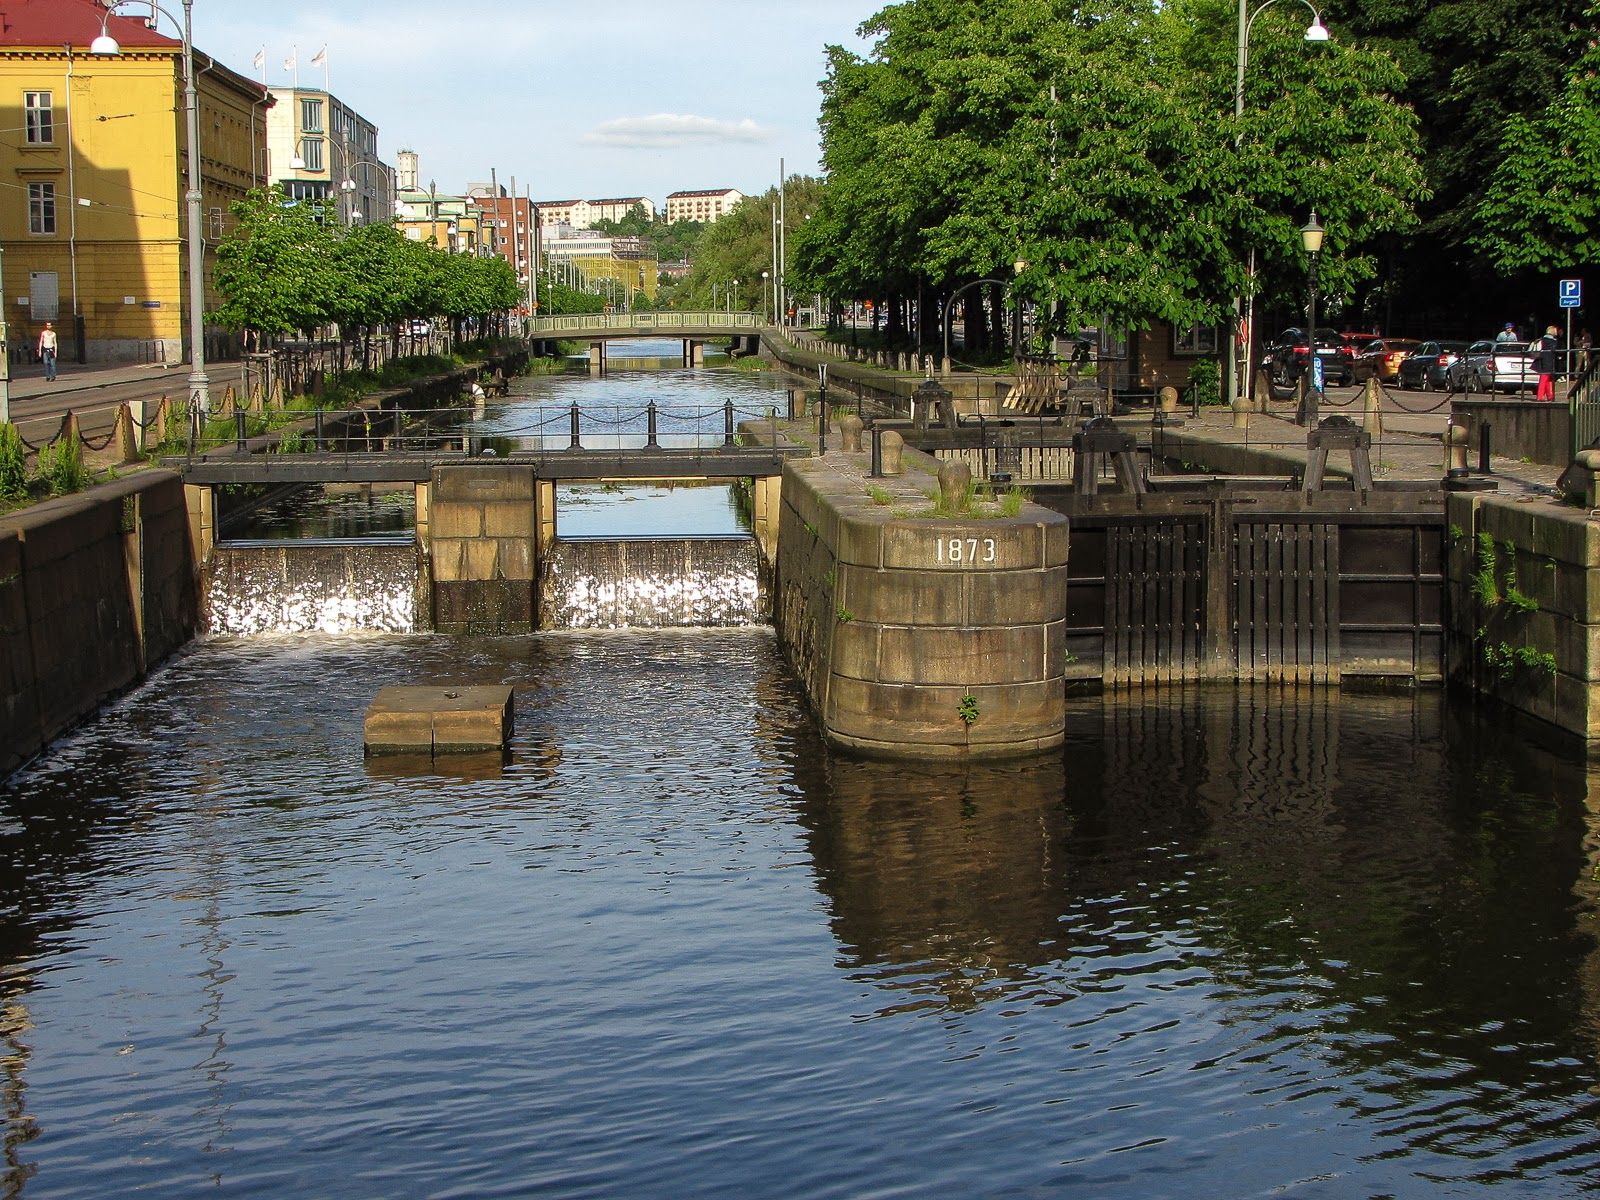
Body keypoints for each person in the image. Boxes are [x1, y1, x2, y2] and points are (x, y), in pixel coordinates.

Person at [1533, 324, 1561, 401]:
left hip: (1541, 360)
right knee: (1544, 378)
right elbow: (1558, 351)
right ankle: (1540, 396)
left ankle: (1549, 395)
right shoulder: (1553, 341)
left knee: (1548, 378)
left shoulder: (1542, 340)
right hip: (1549, 361)